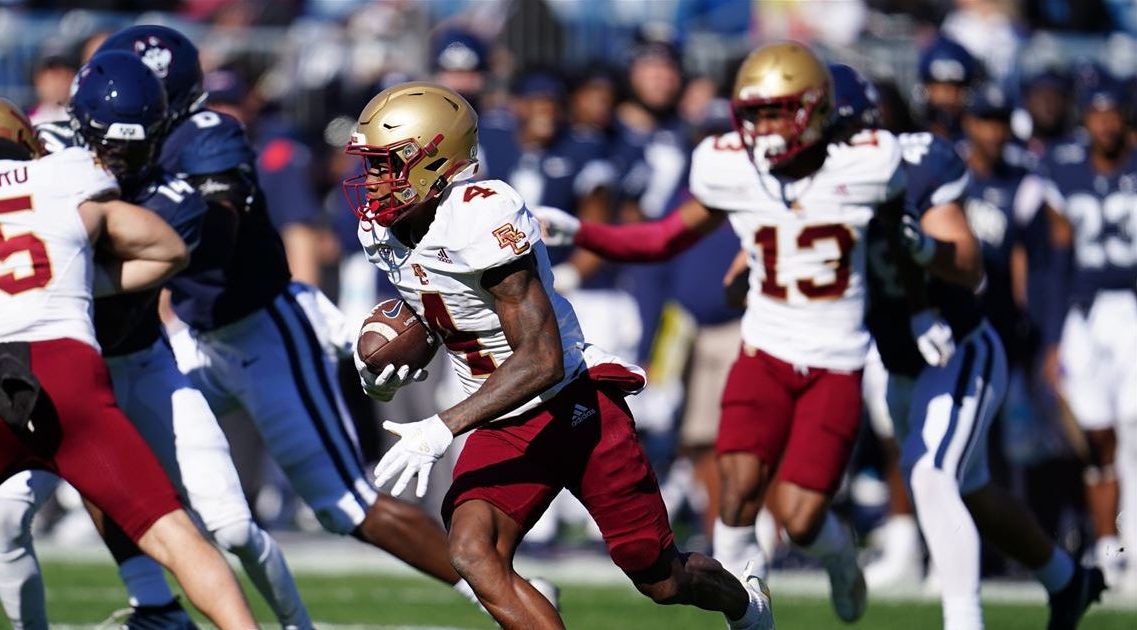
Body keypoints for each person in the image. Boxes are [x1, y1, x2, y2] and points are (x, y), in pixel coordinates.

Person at [98, 23, 516, 613]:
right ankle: (152, 605)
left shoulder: (209, 136)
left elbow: (201, 239)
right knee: (112, 448)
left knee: (343, 504)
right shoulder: (125, 153)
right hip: (195, 336)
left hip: (264, 331)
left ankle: (491, 589)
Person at [344, 80, 773, 630]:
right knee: (473, 552)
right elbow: (437, 311)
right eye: (371, 163)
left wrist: (440, 427)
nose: (373, 179)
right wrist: (386, 370)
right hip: (500, 418)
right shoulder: (381, 229)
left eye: (388, 163)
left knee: (660, 576)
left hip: (573, 404)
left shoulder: (480, 215)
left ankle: (746, 606)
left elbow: (541, 357)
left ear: (435, 161)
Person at [536, 41, 911, 623]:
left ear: (814, 109)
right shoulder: (732, 166)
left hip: (835, 360)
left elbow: (908, 249)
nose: (761, 128)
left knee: (803, 518)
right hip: (763, 349)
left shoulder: (867, 164)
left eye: (776, 111)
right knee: (735, 487)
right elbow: (662, 238)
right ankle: (748, 608)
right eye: (753, 113)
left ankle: (839, 558)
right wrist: (582, 231)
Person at [0, 49, 313, 630]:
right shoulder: (50, 169)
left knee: (234, 526)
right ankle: (149, 608)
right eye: (109, 144)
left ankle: (296, 626)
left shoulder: (177, 198)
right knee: (8, 517)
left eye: (134, 147)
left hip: (142, 366)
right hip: (63, 374)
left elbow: (95, 278)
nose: (120, 160)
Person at [0, 93, 258, 630]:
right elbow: (167, 249)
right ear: (20, 138)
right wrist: (83, 280)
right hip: (66, 372)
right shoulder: (61, 173)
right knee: (175, 537)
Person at [831, 63, 1106, 630]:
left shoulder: (919, 162)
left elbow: (969, 262)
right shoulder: (808, 177)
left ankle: (965, 622)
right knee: (972, 489)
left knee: (931, 476)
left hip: (957, 350)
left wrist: (923, 249)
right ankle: (1067, 579)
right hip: (901, 359)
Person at [1042, 71, 1137, 593]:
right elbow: (1057, 258)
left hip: (1132, 306)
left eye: (1114, 113)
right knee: (1097, 432)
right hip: (1085, 310)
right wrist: (1054, 336)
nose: (1105, 124)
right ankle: (1108, 544)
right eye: (1097, 114)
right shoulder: (1064, 168)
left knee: (1135, 423)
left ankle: (1132, 543)